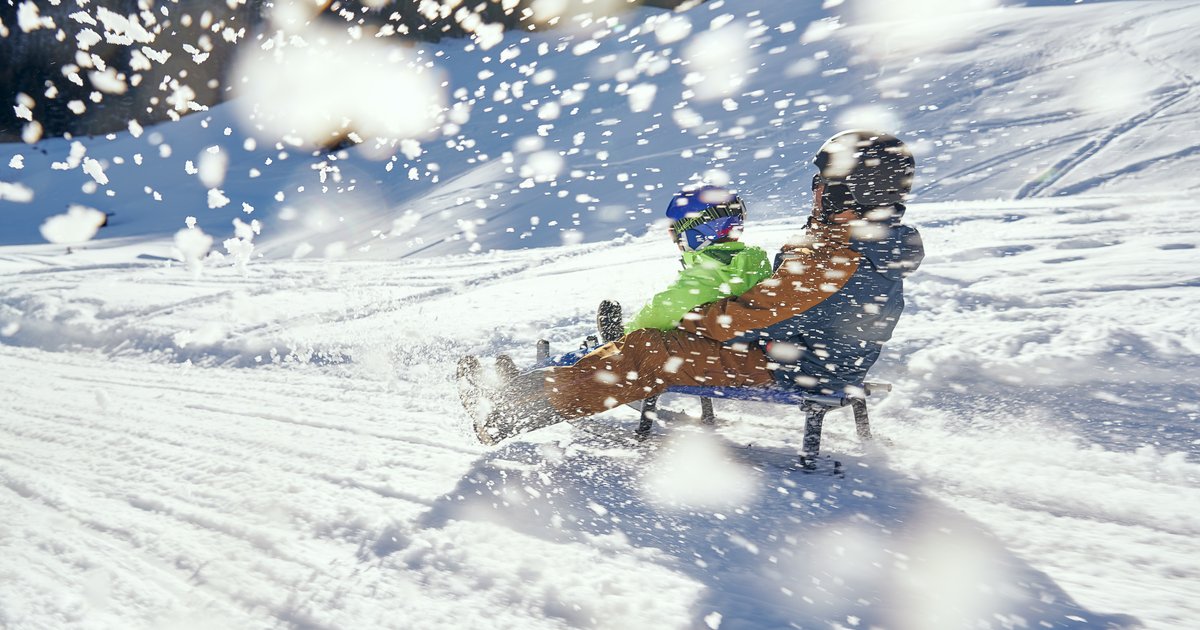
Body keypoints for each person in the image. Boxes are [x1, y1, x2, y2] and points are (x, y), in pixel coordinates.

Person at [461, 130, 924, 446]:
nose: (816, 195)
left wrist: (691, 318)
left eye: (822, 186)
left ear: (848, 195)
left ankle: (506, 415)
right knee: (652, 346)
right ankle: (520, 393)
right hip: (808, 358)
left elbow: (746, 315)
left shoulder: (837, 254)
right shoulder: (865, 246)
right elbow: (780, 310)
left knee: (649, 351)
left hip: (793, 366)